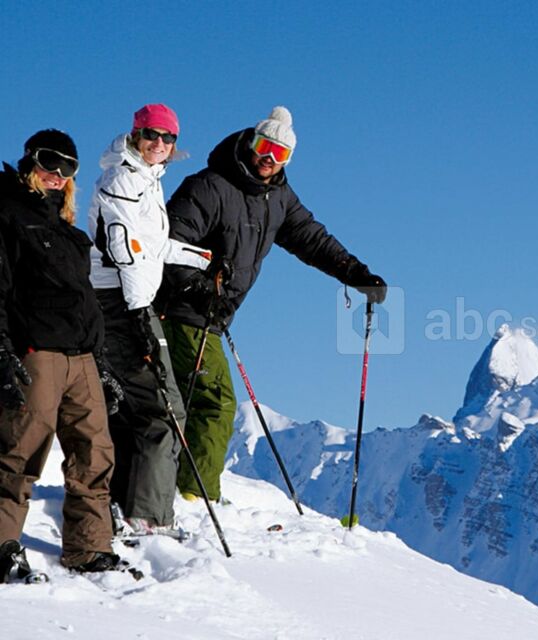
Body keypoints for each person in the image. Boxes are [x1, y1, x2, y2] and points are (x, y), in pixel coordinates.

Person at [160, 106, 386, 502]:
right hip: (181, 309)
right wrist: (197, 289)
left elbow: (312, 239)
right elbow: (172, 241)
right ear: (251, 142)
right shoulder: (210, 186)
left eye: (280, 153)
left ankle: (178, 489)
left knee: (191, 400)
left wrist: (355, 273)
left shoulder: (277, 198)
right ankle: (194, 496)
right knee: (215, 402)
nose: (269, 158)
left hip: (212, 316)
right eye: (265, 147)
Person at [0, 130, 127, 579]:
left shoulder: (68, 233)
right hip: (36, 350)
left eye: (67, 168)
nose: (56, 175)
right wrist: (2, 350)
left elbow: (84, 302)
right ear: (29, 161)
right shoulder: (7, 215)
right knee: (20, 449)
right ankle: (1, 544)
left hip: (82, 356)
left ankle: (88, 549)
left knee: (94, 451)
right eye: (49, 163)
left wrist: (102, 362)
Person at [89, 105, 212, 535]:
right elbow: (125, 248)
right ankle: (148, 517)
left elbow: (153, 246)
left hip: (125, 301)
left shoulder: (145, 178)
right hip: (122, 304)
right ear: (135, 133)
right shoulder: (124, 179)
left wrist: (204, 261)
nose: (160, 143)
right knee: (164, 408)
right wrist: (141, 312)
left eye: (168, 137)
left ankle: (127, 505)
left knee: (137, 408)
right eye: (152, 134)